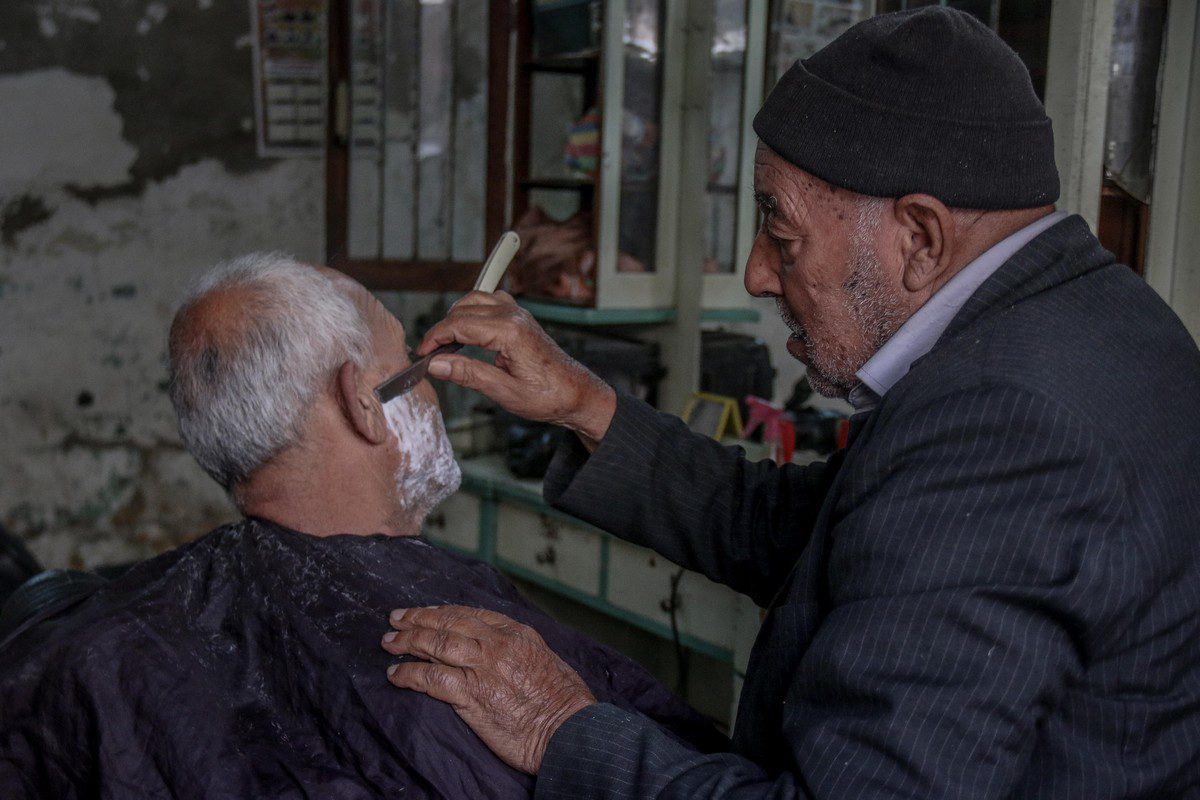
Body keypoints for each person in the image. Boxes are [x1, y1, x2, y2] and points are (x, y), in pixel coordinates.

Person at [375, 8, 1200, 799]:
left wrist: (559, 726)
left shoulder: (1009, 419)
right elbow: (817, 538)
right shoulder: (1108, 321)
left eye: (781, 231)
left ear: (919, 236)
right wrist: (583, 405)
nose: (758, 275)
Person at [0, 254, 724, 798]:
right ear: (364, 402)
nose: (432, 385)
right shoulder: (456, 681)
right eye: (410, 361)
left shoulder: (89, 648)